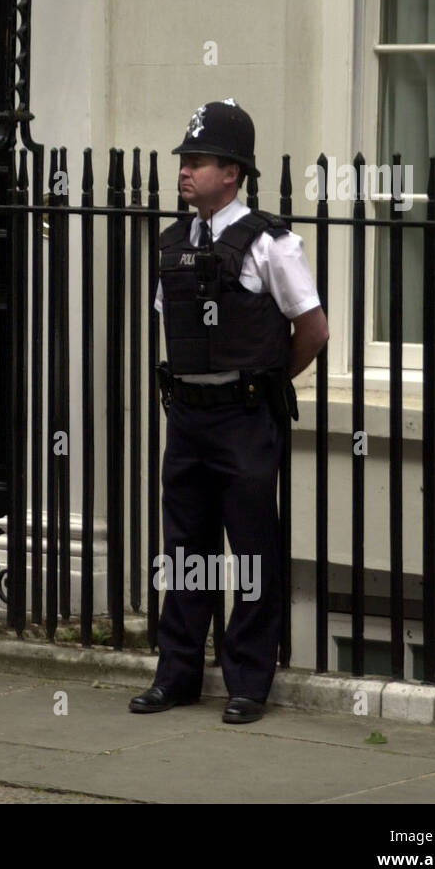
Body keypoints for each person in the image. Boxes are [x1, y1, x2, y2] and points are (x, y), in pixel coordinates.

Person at [130, 99, 329, 724]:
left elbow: (314, 329)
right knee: (185, 549)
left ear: (232, 174)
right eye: (184, 161)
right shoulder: (171, 244)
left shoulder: (272, 243)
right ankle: (178, 674)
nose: (185, 171)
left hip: (245, 418)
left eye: (198, 161)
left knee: (249, 550)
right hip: (187, 416)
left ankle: (248, 681)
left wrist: (265, 382)